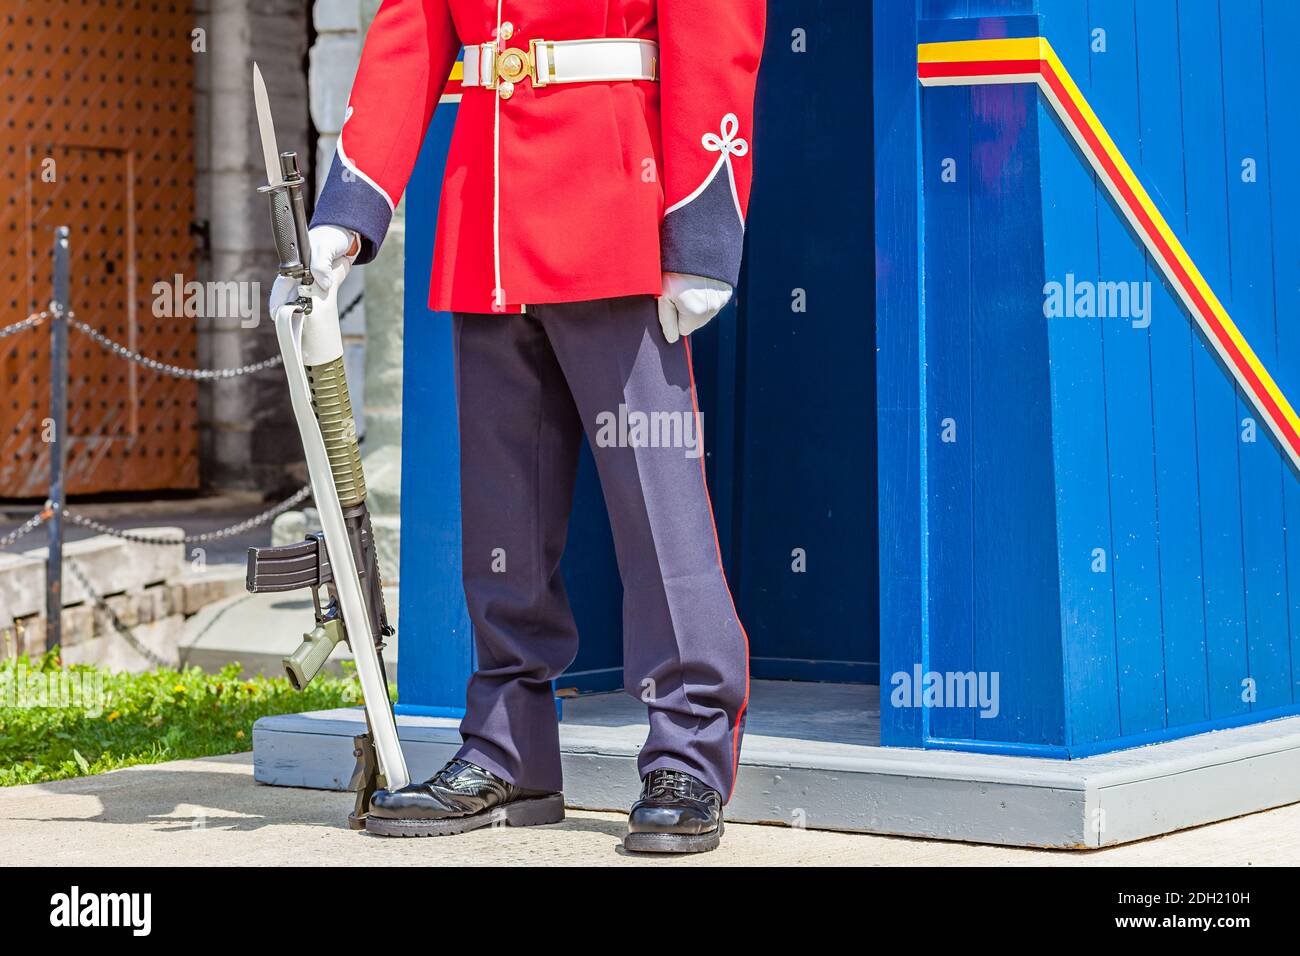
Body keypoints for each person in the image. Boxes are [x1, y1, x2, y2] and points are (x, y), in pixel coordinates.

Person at [271, 0, 765, 854]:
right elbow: (415, 28)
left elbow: (714, 25)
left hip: (618, 193)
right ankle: (510, 748)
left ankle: (687, 747)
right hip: (490, 210)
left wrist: (702, 221)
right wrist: (348, 208)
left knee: (657, 511)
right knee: (504, 517)